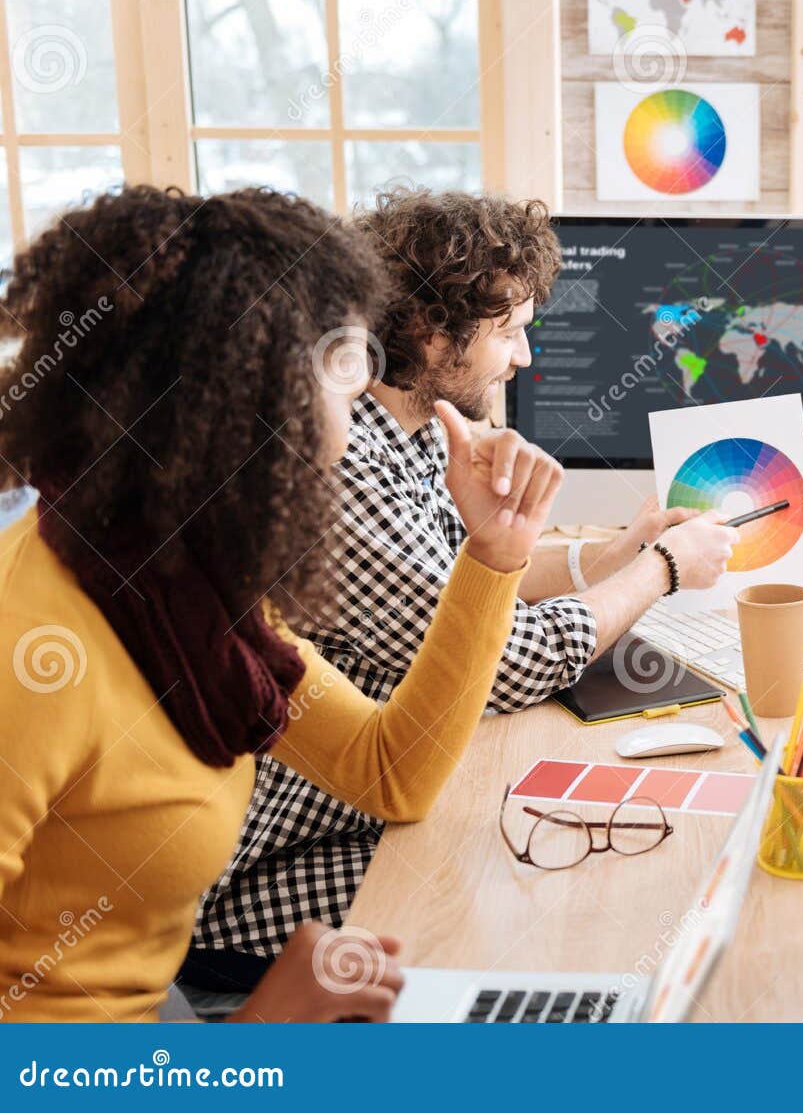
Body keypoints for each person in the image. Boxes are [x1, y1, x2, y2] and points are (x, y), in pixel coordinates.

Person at [0, 185, 656, 1021]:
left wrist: (495, 556)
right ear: (236, 404)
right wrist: (259, 1033)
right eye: (342, 377)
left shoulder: (189, 585)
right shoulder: (31, 643)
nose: (358, 412)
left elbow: (391, 773)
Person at [184, 187, 737, 1001]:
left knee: (578, 866)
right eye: (508, 332)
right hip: (278, 871)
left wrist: (615, 553)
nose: (523, 357)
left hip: (380, 798)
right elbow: (505, 661)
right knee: (550, 903)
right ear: (427, 331)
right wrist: (662, 573)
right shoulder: (344, 471)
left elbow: (465, 590)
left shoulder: (410, 433)